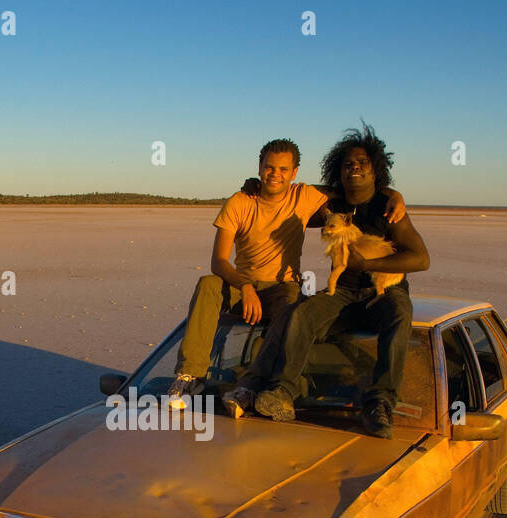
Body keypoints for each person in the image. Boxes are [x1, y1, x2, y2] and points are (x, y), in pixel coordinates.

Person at [168, 138, 405, 417]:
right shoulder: (239, 201)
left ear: (294, 172)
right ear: (259, 167)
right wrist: (244, 286)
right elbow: (219, 261)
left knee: (292, 302)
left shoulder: (303, 196)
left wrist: (394, 195)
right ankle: (190, 377)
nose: (275, 174)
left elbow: (356, 185)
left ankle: (252, 385)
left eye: (283, 169)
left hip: (282, 286)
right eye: (269, 167)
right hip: (241, 283)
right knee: (207, 283)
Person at [254, 123, 429, 437]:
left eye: (363, 163)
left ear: (376, 169)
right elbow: (288, 196)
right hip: (344, 291)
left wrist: (370, 262)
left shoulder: (388, 208)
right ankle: (282, 391)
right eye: (348, 164)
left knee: (400, 314)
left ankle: (379, 403)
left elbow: (420, 258)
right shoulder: (330, 205)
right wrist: (256, 186)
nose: (355, 169)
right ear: (339, 169)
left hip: (383, 289)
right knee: (303, 313)